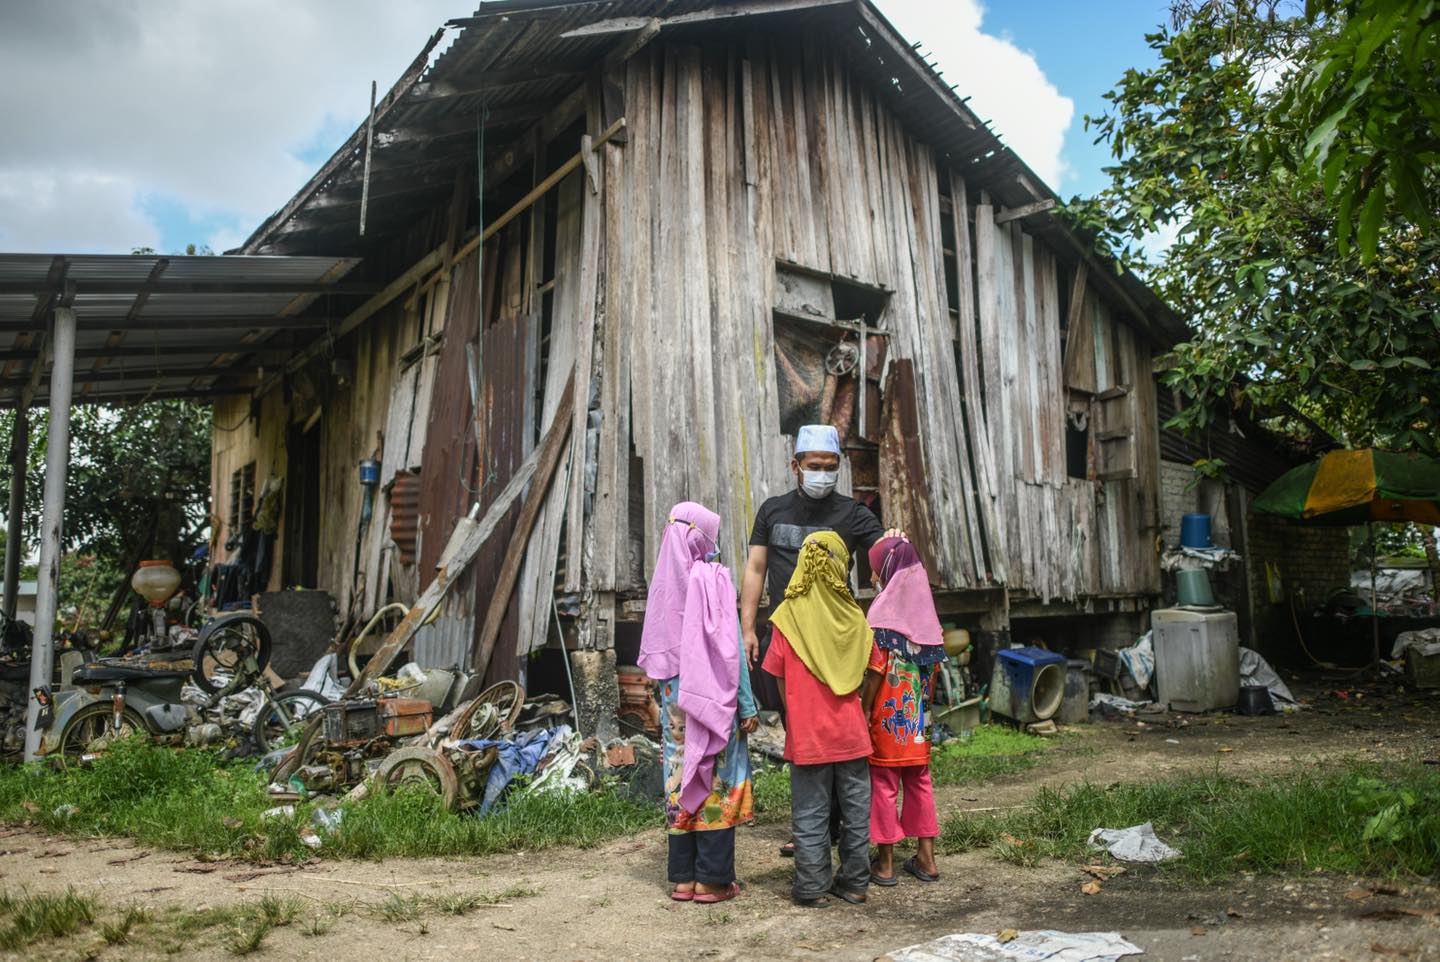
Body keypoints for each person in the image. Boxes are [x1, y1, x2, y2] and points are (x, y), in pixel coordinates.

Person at [740, 423, 902, 856]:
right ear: (795, 466)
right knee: (800, 729)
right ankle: (813, 828)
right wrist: (747, 628)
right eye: (814, 465)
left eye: (831, 466)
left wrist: (892, 544)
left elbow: (884, 559)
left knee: (841, 730)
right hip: (788, 638)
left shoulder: (853, 514)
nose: (823, 474)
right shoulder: (772, 511)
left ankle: (834, 828)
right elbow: (755, 569)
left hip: (836, 641)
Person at [638, 502, 758, 905]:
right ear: (699, 538)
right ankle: (712, 880)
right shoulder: (712, 578)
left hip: (674, 703)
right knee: (718, 779)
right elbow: (732, 650)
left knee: (680, 776)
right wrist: (747, 705)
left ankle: (683, 879)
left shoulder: (662, 586)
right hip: (713, 700)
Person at [761, 530, 873, 907]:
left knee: (810, 812)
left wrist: (794, 712)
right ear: (840, 567)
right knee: (856, 813)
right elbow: (872, 668)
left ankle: (812, 887)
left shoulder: (787, 618)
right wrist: (863, 707)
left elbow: (776, 674)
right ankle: (855, 883)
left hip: (808, 735)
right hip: (852, 733)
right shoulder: (854, 618)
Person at [861, 536, 945, 885]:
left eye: (874, 570)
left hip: (887, 723)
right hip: (919, 724)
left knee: (883, 786)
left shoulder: (882, 619)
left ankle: (885, 864)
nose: (872, 578)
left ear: (888, 571)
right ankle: (927, 858)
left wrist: (865, 710)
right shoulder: (928, 621)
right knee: (920, 782)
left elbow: (875, 673)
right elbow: (933, 676)